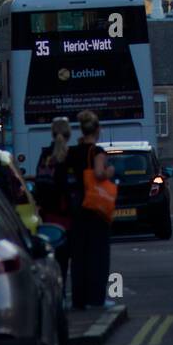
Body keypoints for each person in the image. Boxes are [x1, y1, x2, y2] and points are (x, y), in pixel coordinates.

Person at [66, 110, 115, 311]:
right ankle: (97, 298)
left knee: (79, 257)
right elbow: (98, 173)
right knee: (98, 256)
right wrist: (109, 171)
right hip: (94, 208)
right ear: (97, 130)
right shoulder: (97, 152)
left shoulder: (72, 151)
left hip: (76, 208)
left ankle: (79, 299)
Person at [35, 117, 72, 282]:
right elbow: (68, 185)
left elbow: (38, 181)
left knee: (52, 258)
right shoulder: (68, 156)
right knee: (67, 258)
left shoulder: (45, 155)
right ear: (68, 133)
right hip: (65, 213)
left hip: (48, 213)